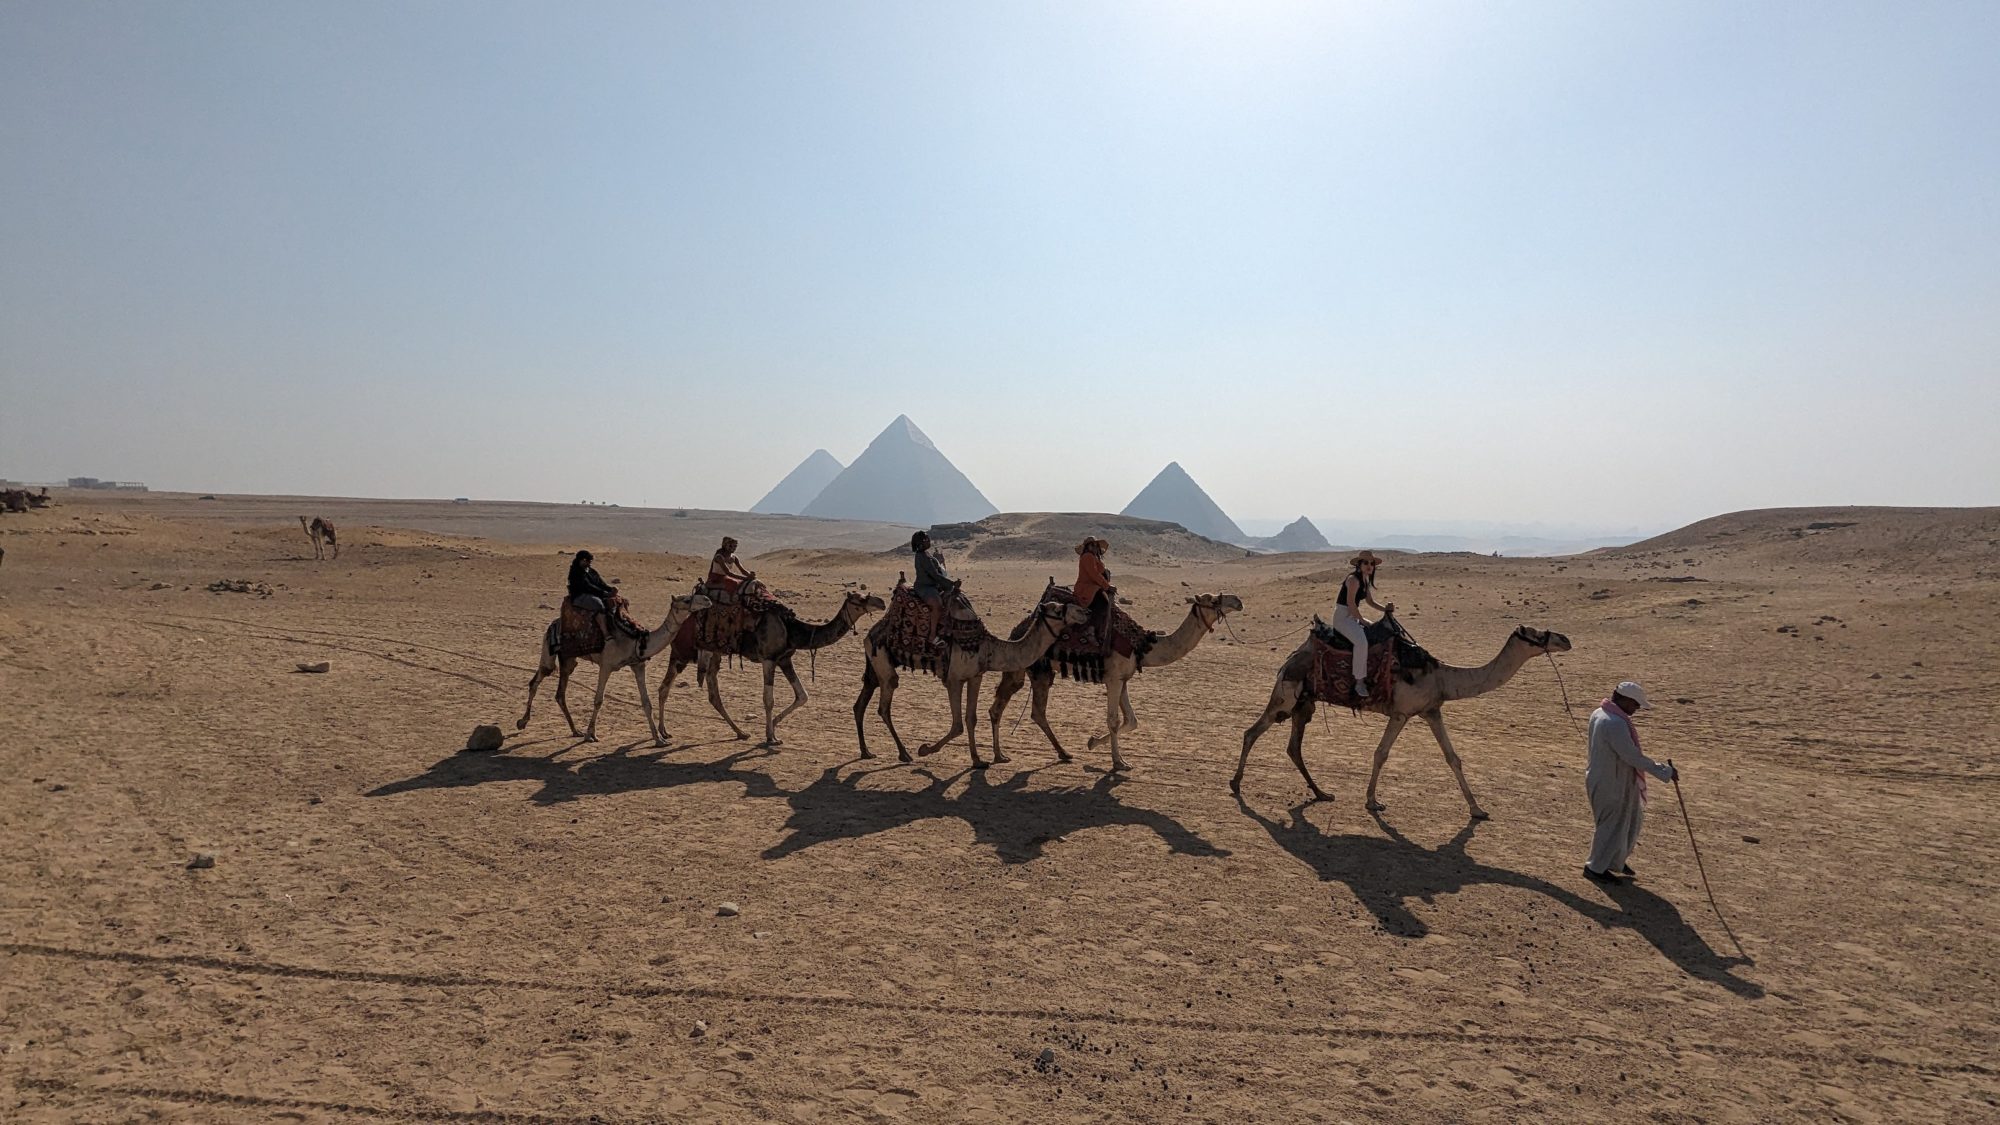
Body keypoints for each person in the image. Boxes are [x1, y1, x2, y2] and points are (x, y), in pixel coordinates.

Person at [1583, 680, 1678, 884]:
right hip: (1611, 781)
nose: (1636, 709)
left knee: (1630, 821)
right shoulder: (1613, 723)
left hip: (1616, 779)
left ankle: (1615, 859)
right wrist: (1664, 771)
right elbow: (1632, 756)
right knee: (1610, 824)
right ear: (1625, 699)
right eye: (1635, 704)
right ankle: (1595, 867)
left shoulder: (1601, 713)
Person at [1331, 550, 1395, 700]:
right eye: (1366, 562)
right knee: (1361, 643)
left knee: (1376, 631)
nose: (1369, 566)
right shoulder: (1353, 580)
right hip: (1343, 618)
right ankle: (1359, 681)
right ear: (1359, 564)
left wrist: (1385, 610)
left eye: (1371, 563)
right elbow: (1351, 603)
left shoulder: (1365, 580)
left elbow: (1370, 601)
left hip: (1352, 616)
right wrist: (1361, 620)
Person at [566, 549, 622, 637]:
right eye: (587, 561)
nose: (589, 563)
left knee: (616, 602)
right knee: (599, 605)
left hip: (594, 593)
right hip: (580, 596)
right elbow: (587, 586)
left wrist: (611, 589)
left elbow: (600, 583)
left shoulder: (591, 571)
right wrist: (604, 593)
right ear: (582, 560)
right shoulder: (576, 572)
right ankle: (605, 633)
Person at [910, 530, 954, 607]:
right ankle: (935, 619)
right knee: (937, 604)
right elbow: (934, 574)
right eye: (927, 539)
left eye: (929, 539)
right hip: (925, 586)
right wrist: (951, 583)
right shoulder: (922, 556)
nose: (929, 541)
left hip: (933, 584)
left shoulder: (926, 554)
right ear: (920, 542)